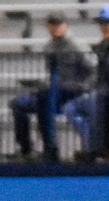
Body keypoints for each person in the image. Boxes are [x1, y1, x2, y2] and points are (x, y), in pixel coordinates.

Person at [10, 12, 89, 160]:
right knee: (18, 104)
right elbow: (51, 73)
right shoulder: (48, 47)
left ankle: (51, 149)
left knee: (45, 99)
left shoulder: (77, 45)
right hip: (55, 91)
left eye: (59, 24)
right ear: (48, 26)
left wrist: (85, 87)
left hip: (74, 92)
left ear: (65, 25)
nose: (55, 28)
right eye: (52, 24)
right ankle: (26, 149)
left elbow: (94, 67)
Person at [72, 4, 109, 161]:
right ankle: (93, 146)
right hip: (104, 90)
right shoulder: (103, 46)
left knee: (99, 101)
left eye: (108, 23)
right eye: (101, 23)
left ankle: (107, 149)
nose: (104, 27)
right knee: (72, 107)